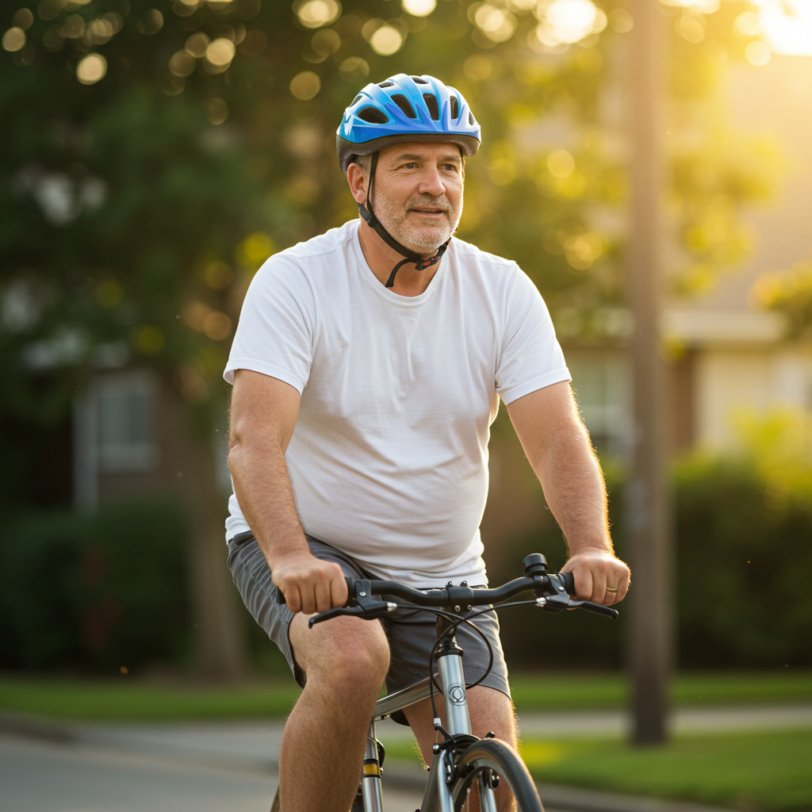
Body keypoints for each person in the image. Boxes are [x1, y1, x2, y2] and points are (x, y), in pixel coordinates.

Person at [225, 73, 630, 812]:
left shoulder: (501, 290)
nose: (434, 185)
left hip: (444, 571)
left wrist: (590, 545)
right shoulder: (296, 282)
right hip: (304, 547)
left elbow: (556, 437)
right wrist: (291, 557)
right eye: (409, 164)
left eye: (449, 165)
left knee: (490, 772)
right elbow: (254, 440)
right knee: (352, 660)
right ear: (359, 180)